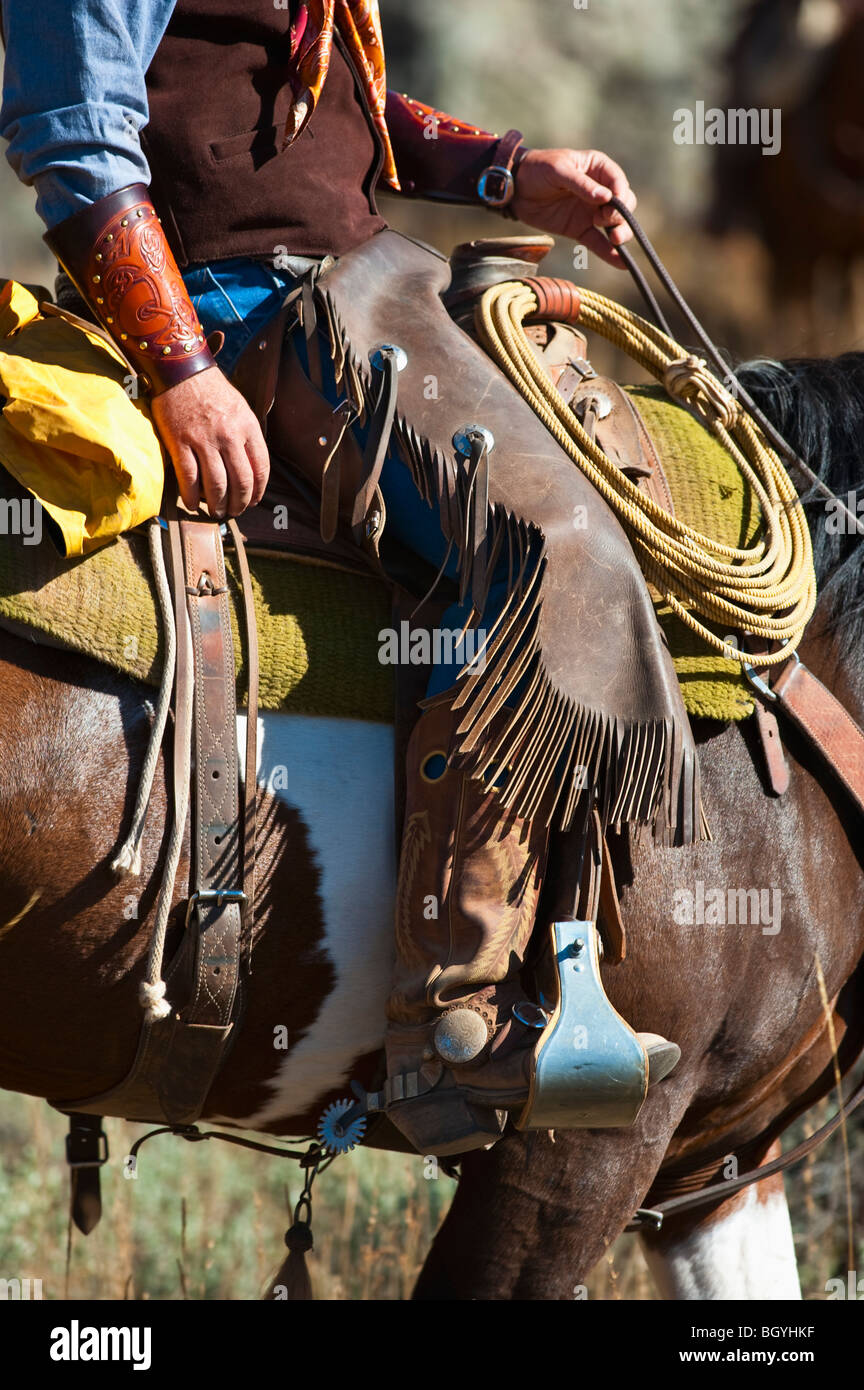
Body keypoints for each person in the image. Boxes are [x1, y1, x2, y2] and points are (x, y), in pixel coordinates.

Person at [0, 0, 687, 1156]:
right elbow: (71, 124)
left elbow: (320, 109)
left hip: (363, 275)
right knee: (550, 544)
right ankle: (454, 1010)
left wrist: (505, 170)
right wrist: (181, 368)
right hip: (250, 307)